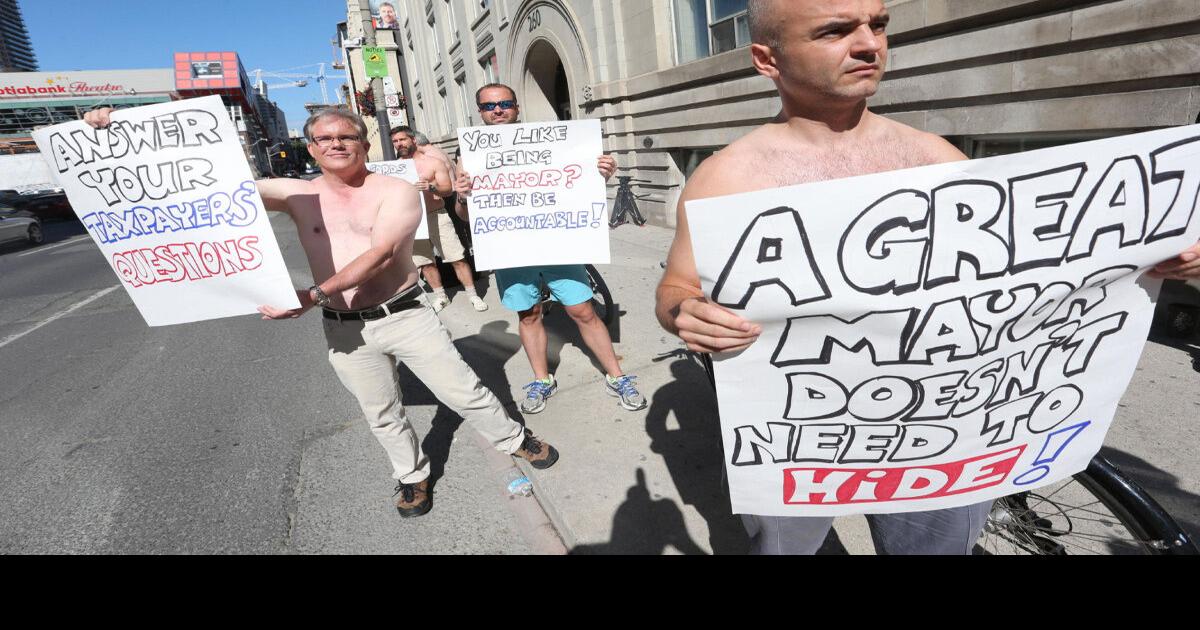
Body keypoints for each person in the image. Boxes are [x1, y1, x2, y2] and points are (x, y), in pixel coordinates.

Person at [83, 106, 559, 520]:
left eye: (346, 136)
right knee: (380, 412)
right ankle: (412, 475)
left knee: (464, 391)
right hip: (344, 328)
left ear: (364, 143)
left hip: (406, 315)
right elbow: (201, 189)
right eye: (325, 138)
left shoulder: (395, 190)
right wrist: (119, 137)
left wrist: (313, 294)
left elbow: (380, 251)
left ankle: (514, 438)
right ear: (310, 149)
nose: (336, 144)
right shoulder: (295, 193)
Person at [454, 83, 648, 414]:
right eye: (489, 106)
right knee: (528, 314)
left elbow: (576, 187)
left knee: (583, 311)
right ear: (480, 112)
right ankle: (542, 379)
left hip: (558, 244)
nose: (497, 110)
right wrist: (461, 196)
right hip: (510, 248)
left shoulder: (555, 141)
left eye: (504, 103)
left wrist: (601, 173)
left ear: (516, 107)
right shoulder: (469, 155)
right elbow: (465, 216)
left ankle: (617, 376)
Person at [391, 125, 488, 312]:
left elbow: (448, 189)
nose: (398, 144)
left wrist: (431, 187)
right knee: (424, 261)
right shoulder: (395, 167)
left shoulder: (433, 162)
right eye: (395, 141)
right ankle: (441, 296)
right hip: (412, 219)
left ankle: (472, 295)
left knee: (456, 257)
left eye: (402, 139)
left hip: (436, 215)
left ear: (412, 139)